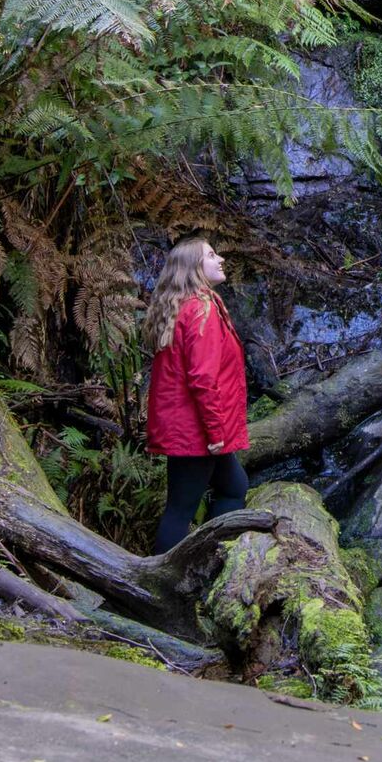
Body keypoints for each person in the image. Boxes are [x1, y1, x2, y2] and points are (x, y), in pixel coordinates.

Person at [142, 234, 250, 553]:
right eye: (212, 255)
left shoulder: (186, 306)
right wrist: (216, 433)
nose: (221, 259)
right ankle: (161, 578)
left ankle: (211, 559)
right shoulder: (201, 309)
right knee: (180, 510)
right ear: (194, 267)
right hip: (197, 431)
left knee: (234, 486)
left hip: (190, 426)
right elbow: (202, 378)